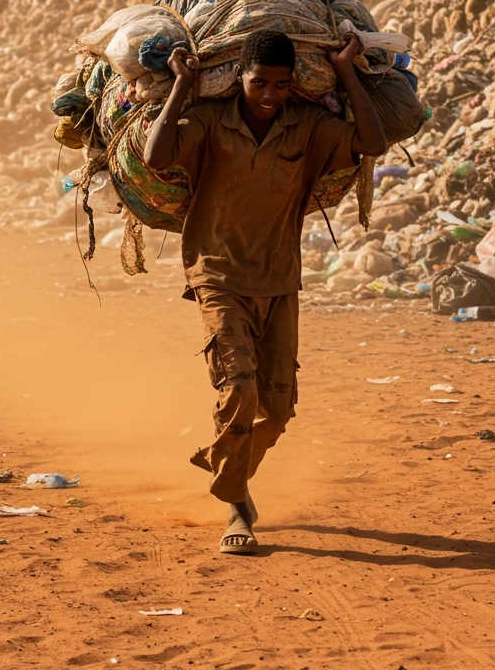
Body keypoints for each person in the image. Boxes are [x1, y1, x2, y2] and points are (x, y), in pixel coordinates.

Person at [143, 29, 387, 555]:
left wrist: (346, 68)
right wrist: (183, 85)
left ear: (292, 83)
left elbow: (373, 143)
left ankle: (227, 464)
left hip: (279, 278)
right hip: (217, 275)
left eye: (280, 84)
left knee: (276, 412)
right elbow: (157, 155)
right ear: (240, 79)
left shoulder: (310, 128)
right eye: (259, 83)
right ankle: (237, 506)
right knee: (239, 388)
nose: (270, 94)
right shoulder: (211, 124)